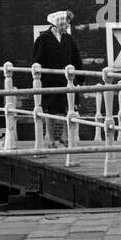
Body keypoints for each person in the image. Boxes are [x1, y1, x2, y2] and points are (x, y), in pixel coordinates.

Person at [31, 10, 83, 146]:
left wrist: (80, 78)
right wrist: (40, 76)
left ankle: (66, 136)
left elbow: (76, 58)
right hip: (50, 80)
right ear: (58, 23)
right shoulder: (43, 39)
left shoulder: (68, 38)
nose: (67, 26)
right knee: (50, 108)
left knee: (69, 107)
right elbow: (37, 59)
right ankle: (50, 137)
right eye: (65, 24)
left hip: (68, 79)